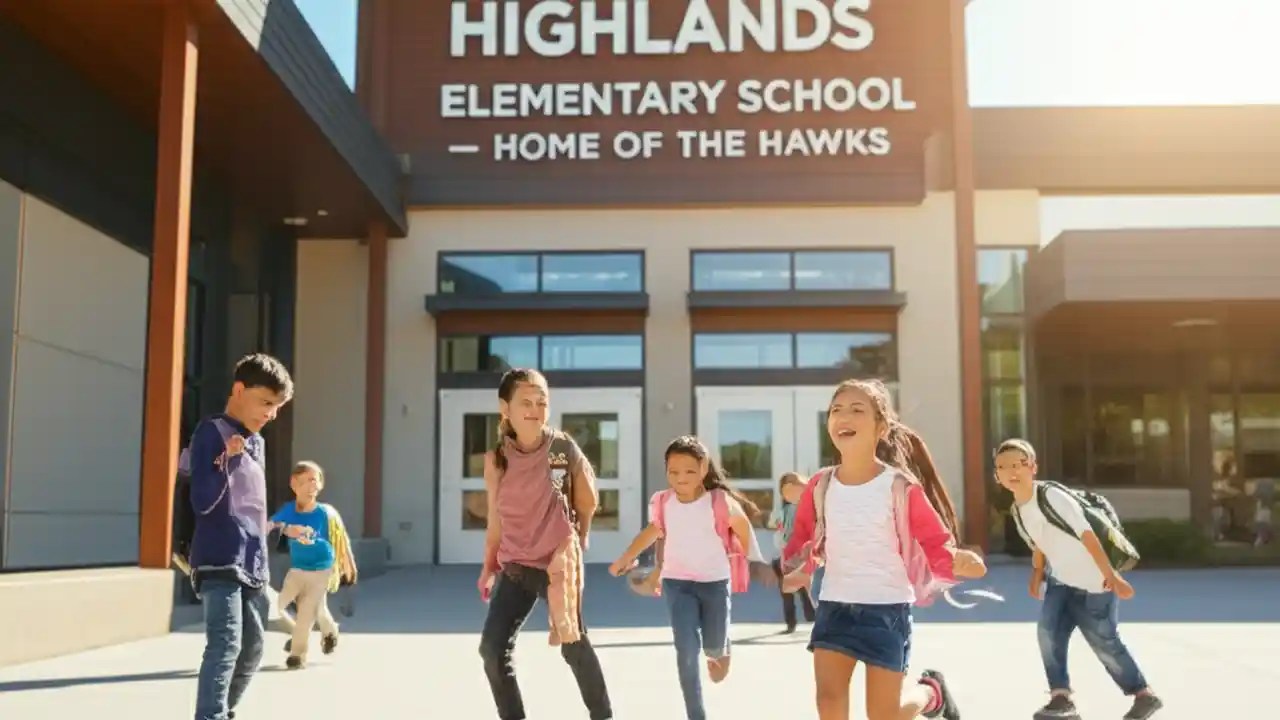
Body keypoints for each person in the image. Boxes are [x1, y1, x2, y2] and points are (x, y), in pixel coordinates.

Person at [781, 379, 986, 720]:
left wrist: (955, 561)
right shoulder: (821, 484)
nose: (844, 416)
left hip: (886, 612)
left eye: (857, 409)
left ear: (881, 427)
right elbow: (805, 537)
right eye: (836, 410)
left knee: (886, 716)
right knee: (828, 704)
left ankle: (930, 693)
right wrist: (799, 569)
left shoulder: (899, 487)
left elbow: (933, 539)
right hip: (834, 607)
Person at [477, 368, 613, 720]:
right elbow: (496, 519)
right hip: (515, 565)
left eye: (542, 402)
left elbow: (587, 499)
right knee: (492, 649)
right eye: (526, 402)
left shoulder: (561, 449)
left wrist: (580, 536)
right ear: (504, 407)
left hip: (556, 563)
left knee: (573, 644)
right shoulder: (497, 460)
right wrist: (488, 565)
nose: (535, 409)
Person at [994, 439, 1163, 720]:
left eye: (1017, 464)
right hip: (1060, 581)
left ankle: (1144, 695)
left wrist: (1112, 576)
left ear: (1032, 467)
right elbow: (1039, 543)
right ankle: (1060, 698)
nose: (1010, 471)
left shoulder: (1051, 496)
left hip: (1095, 582)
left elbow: (1087, 535)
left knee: (1104, 641)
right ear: (996, 475)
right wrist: (1036, 575)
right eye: (1002, 466)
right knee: (1048, 635)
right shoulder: (1017, 509)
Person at [609, 435, 760, 720]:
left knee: (713, 646)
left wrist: (753, 559)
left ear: (704, 469)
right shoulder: (663, 502)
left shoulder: (718, 501)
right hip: (677, 584)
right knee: (686, 650)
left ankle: (721, 646)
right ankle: (696, 714)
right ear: (666, 470)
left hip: (714, 582)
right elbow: (652, 533)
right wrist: (625, 558)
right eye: (674, 471)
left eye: (690, 471)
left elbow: (742, 526)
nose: (681, 478)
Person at [188, 353, 293, 720]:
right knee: (225, 644)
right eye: (266, 403)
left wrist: (279, 531)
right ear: (238, 389)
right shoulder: (211, 432)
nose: (271, 414)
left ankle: (223, 710)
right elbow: (202, 501)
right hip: (219, 559)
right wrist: (228, 461)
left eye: (277, 407)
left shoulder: (256, 442)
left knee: (252, 649)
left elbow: (251, 507)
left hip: (253, 563)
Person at [270, 460, 357, 669]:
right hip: (298, 569)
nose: (312, 486)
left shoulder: (327, 513)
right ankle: (329, 631)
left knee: (306, 610)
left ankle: (297, 655)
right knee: (280, 607)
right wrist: (286, 528)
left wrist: (349, 565)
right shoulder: (289, 510)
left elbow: (341, 540)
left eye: (316, 480)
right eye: (307, 480)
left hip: (322, 569)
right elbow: (269, 525)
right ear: (294, 483)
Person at [769, 471, 815, 633]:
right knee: (799, 589)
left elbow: (784, 530)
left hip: (791, 555)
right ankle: (808, 618)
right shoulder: (791, 509)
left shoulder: (792, 509)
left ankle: (795, 622)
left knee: (791, 590)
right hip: (789, 555)